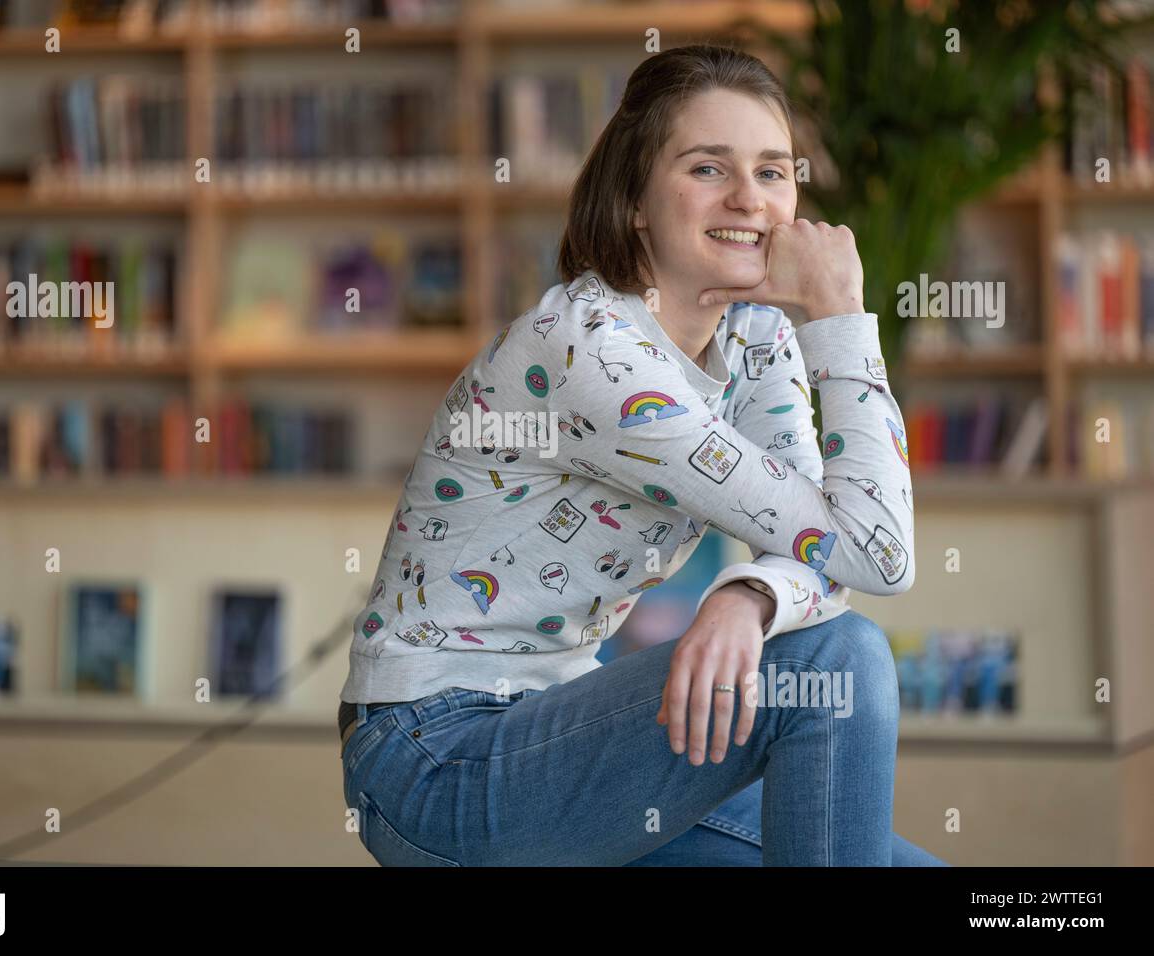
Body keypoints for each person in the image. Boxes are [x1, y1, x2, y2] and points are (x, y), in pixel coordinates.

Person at [338, 43, 946, 866]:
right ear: (634, 199)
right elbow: (878, 549)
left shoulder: (755, 332)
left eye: (773, 172)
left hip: (571, 732)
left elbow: (843, 537)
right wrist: (838, 309)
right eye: (708, 168)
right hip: (434, 758)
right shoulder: (592, 353)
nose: (749, 199)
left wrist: (752, 596)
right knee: (840, 656)